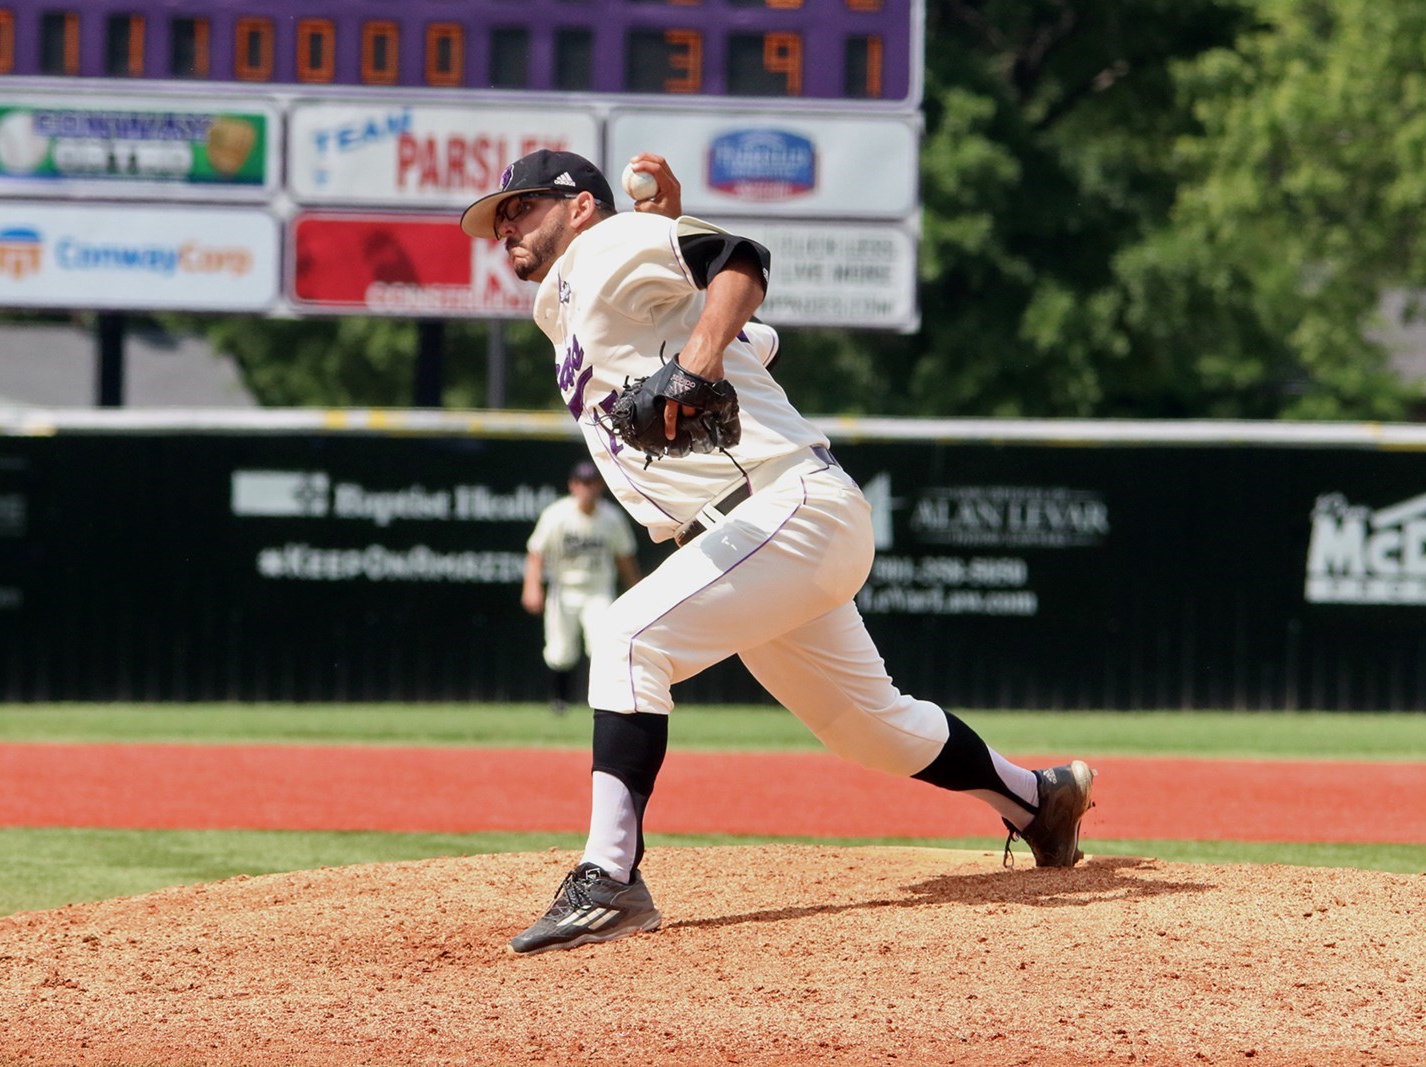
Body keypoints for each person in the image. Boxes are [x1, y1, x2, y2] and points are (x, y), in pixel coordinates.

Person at [460, 149, 1096, 956]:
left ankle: (609, 877)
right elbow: (759, 340)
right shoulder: (579, 306)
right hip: (755, 536)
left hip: (788, 505)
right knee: (870, 727)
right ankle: (1040, 800)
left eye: (523, 206)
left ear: (581, 206)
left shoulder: (605, 248)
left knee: (626, 637)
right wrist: (696, 320)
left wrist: (690, 337)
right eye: (499, 217)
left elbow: (740, 260)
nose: (506, 224)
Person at [523, 460, 641, 714]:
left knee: (601, 645)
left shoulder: (611, 518)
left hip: (597, 590)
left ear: (600, 486)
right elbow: (536, 552)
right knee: (560, 650)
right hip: (564, 589)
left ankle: (604, 702)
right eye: (582, 483)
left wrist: (636, 590)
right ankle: (559, 701)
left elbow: (624, 558)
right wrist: (531, 586)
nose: (588, 488)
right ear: (573, 485)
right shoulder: (557, 515)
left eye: (592, 483)